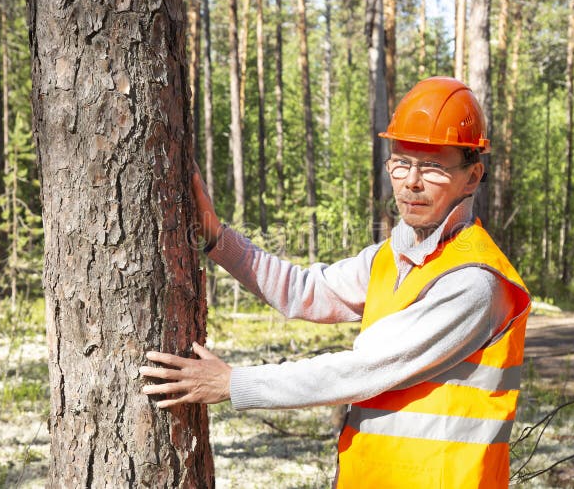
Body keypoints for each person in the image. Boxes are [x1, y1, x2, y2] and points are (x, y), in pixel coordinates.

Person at [140, 76, 531, 488]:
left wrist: (234, 383)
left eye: (432, 167)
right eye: (401, 162)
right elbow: (307, 291)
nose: (411, 181)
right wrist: (219, 239)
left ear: (472, 177)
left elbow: (362, 370)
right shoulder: (391, 257)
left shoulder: (474, 282)